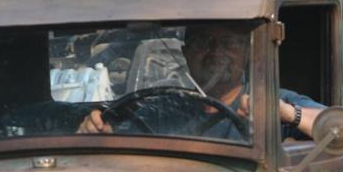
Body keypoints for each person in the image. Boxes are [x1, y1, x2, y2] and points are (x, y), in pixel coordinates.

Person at [77, 26, 324, 141]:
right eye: (204, 42)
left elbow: (340, 129)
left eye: (230, 44)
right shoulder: (166, 109)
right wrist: (98, 131)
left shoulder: (271, 101)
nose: (216, 53)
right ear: (186, 53)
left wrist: (287, 113)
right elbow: (123, 141)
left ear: (246, 54)